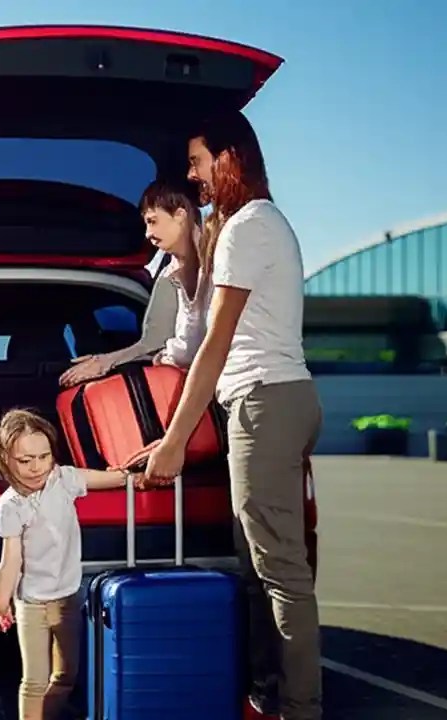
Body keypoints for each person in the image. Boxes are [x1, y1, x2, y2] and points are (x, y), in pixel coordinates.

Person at [142, 112, 323, 719]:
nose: (192, 175)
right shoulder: (253, 224)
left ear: (229, 158)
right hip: (273, 399)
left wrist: (173, 442)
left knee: (281, 575)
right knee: (258, 570)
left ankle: (299, 709)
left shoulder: (249, 227)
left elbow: (215, 344)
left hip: (263, 403)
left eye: (197, 162)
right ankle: (265, 697)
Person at [0, 408, 136, 720]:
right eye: (25, 460)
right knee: (34, 681)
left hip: (68, 598)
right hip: (31, 604)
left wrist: (135, 476)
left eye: (44, 456)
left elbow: (108, 478)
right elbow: (11, 559)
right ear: (4, 460)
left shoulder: (63, 479)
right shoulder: (11, 504)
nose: (36, 467)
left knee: (66, 675)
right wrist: (1, 602)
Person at [58, 179, 207, 387]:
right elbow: (154, 345)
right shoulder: (168, 277)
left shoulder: (221, 267)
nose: (148, 234)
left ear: (180, 216)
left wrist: (108, 362)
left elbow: (185, 347)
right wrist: (106, 362)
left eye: (153, 221)